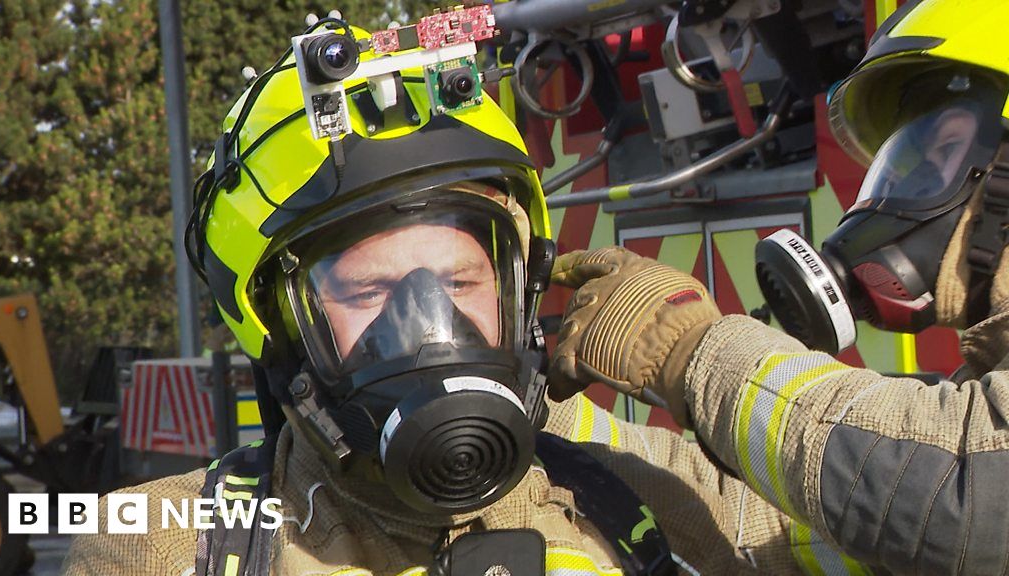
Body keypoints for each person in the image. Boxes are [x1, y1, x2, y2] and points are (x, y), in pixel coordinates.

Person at [62, 18, 856, 576]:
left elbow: (915, 511)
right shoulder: (172, 547)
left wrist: (707, 360)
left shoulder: (651, 492)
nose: (424, 322)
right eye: (370, 289)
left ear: (520, 287)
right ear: (276, 323)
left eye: (458, 282)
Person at [549, 1, 1009, 574]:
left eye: (938, 154)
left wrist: (688, 349)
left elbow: (960, 491)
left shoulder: (966, 476)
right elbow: (763, 529)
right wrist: (545, 431)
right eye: (899, 162)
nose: (891, 196)